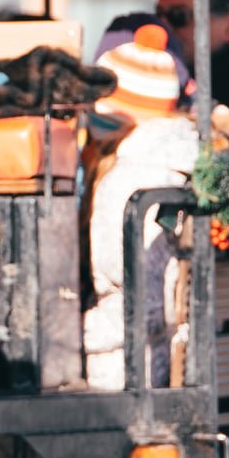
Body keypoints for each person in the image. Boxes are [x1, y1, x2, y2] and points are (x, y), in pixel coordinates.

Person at [81, 25, 198, 391]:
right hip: (165, 361)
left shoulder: (128, 180)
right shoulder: (184, 163)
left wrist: (73, 334)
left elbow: (139, 300)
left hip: (126, 370)